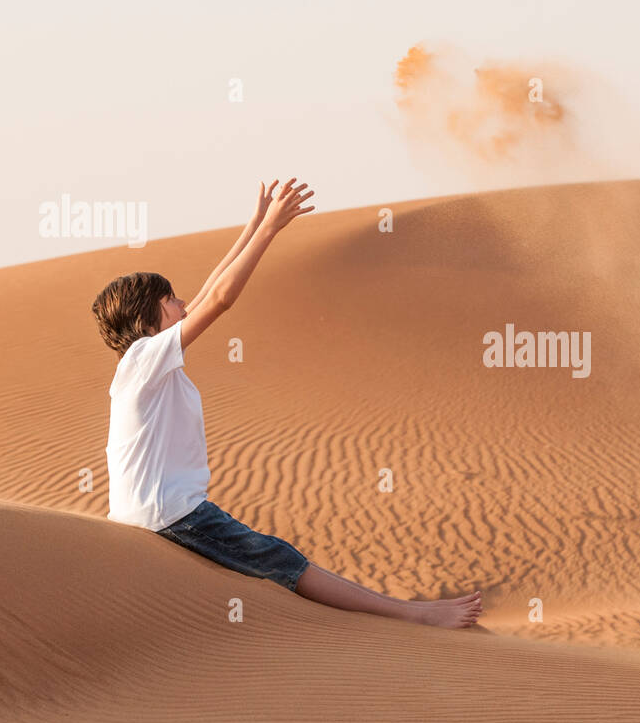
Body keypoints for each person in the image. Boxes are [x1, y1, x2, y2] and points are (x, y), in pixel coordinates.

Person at [90, 178, 483, 628]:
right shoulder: (144, 359)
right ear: (146, 318)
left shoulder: (144, 366)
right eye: (170, 299)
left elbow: (206, 293)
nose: (182, 303)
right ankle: (413, 615)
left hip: (157, 513)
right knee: (282, 560)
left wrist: (254, 223)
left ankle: (411, 611)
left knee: (273, 555)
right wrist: (270, 231)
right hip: (171, 516)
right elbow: (219, 299)